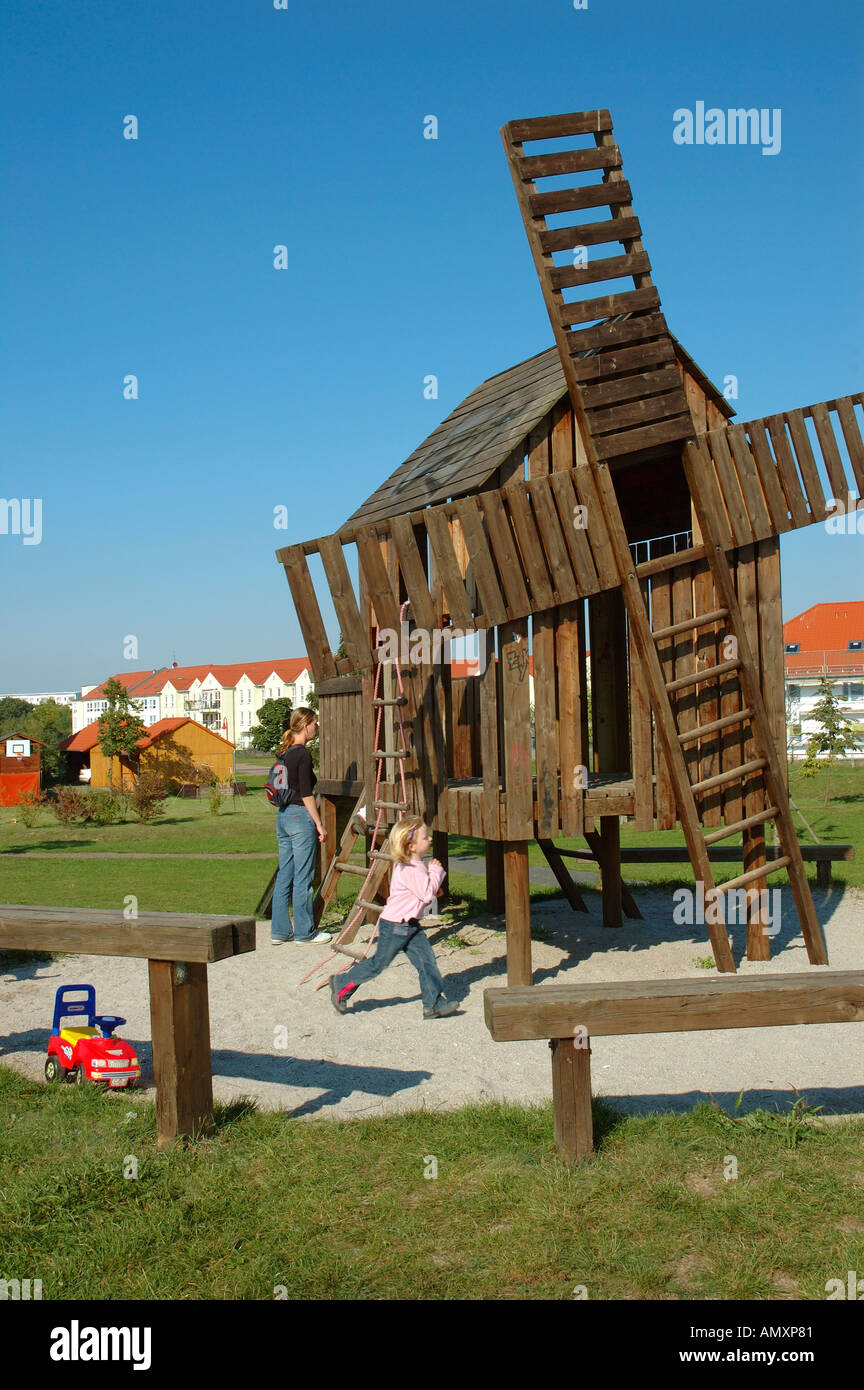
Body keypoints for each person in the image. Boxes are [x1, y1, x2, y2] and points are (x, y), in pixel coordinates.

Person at [329, 816, 459, 1019]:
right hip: (395, 926)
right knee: (378, 964)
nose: (430, 839)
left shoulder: (415, 865)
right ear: (412, 846)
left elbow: (423, 895)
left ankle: (433, 1003)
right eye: (425, 837)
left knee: (426, 961)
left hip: (410, 925)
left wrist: (434, 891)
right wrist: (436, 872)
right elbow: (426, 894)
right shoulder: (409, 867)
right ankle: (342, 983)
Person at [270, 707, 332, 945]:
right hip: (300, 817)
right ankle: (305, 932)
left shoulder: (284, 753)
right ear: (305, 725)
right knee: (303, 876)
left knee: (284, 874)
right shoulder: (303, 754)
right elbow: (306, 794)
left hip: (283, 817)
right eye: (315, 723)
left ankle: (279, 931)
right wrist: (319, 824)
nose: (317, 727)